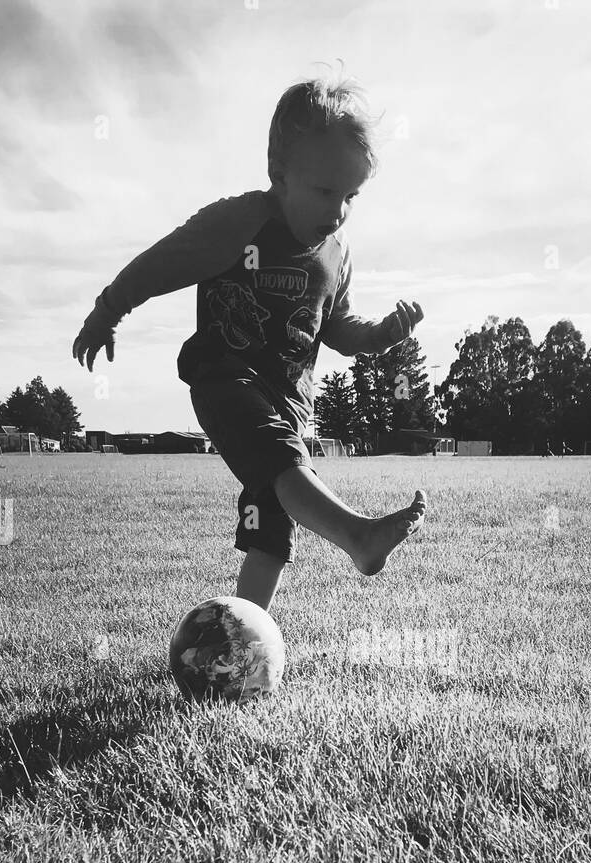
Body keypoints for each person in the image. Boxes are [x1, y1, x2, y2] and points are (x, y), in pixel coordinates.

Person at [72, 72, 426, 611]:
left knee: (272, 531)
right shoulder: (239, 223)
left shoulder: (337, 253)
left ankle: (244, 635)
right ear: (278, 175)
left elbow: (339, 330)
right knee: (283, 463)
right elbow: (159, 265)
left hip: (290, 407)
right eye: (325, 191)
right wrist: (106, 312)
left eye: (351, 196)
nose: (338, 211)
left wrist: (384, 333)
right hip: (225, 379)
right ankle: (358, 537)